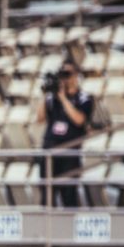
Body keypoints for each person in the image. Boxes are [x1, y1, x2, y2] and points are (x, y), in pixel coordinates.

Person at [36, 62, 93, 208]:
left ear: (76, 76)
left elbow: (79, 120)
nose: (65, 79)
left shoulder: (84, 97)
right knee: (47, 195)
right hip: (50, 150)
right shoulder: (52, 98)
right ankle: (48, 227)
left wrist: (63, 99)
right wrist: (46, 94)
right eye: (62, 75)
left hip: (69, 152)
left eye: (68, 74)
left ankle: (69, 228)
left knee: (68, 195)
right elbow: (40, 119)